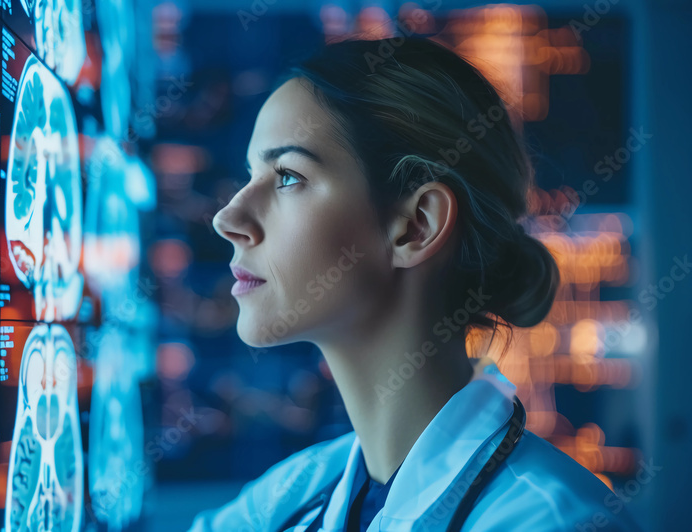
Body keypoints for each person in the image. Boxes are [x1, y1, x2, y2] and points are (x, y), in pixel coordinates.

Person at [191, 37, 643, 531]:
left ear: (416, 226)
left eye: (287, 177)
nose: (228, 217)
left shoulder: (552, 521)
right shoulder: (292, 494)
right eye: (249, 175)